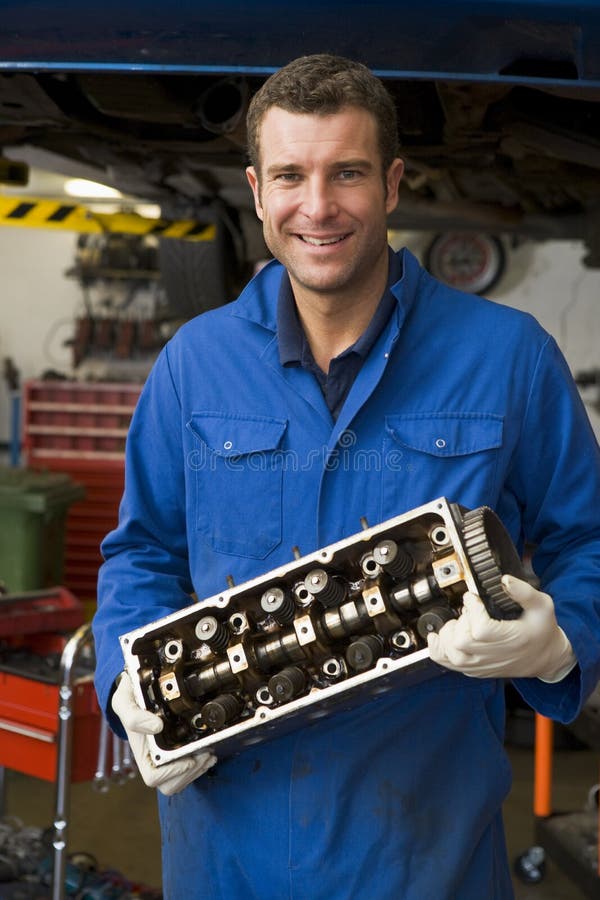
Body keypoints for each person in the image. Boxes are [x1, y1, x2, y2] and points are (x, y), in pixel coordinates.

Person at [93, 54, 600, 899]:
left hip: (424, 851)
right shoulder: (195, 364)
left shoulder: (507, 357)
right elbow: (141, 552)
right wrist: (127, 682)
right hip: (227, 851)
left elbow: (588, 539)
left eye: (349, 173)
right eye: (290, 175)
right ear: (257, 193)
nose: (317, 206)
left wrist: (562, 641)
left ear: (394, 184)